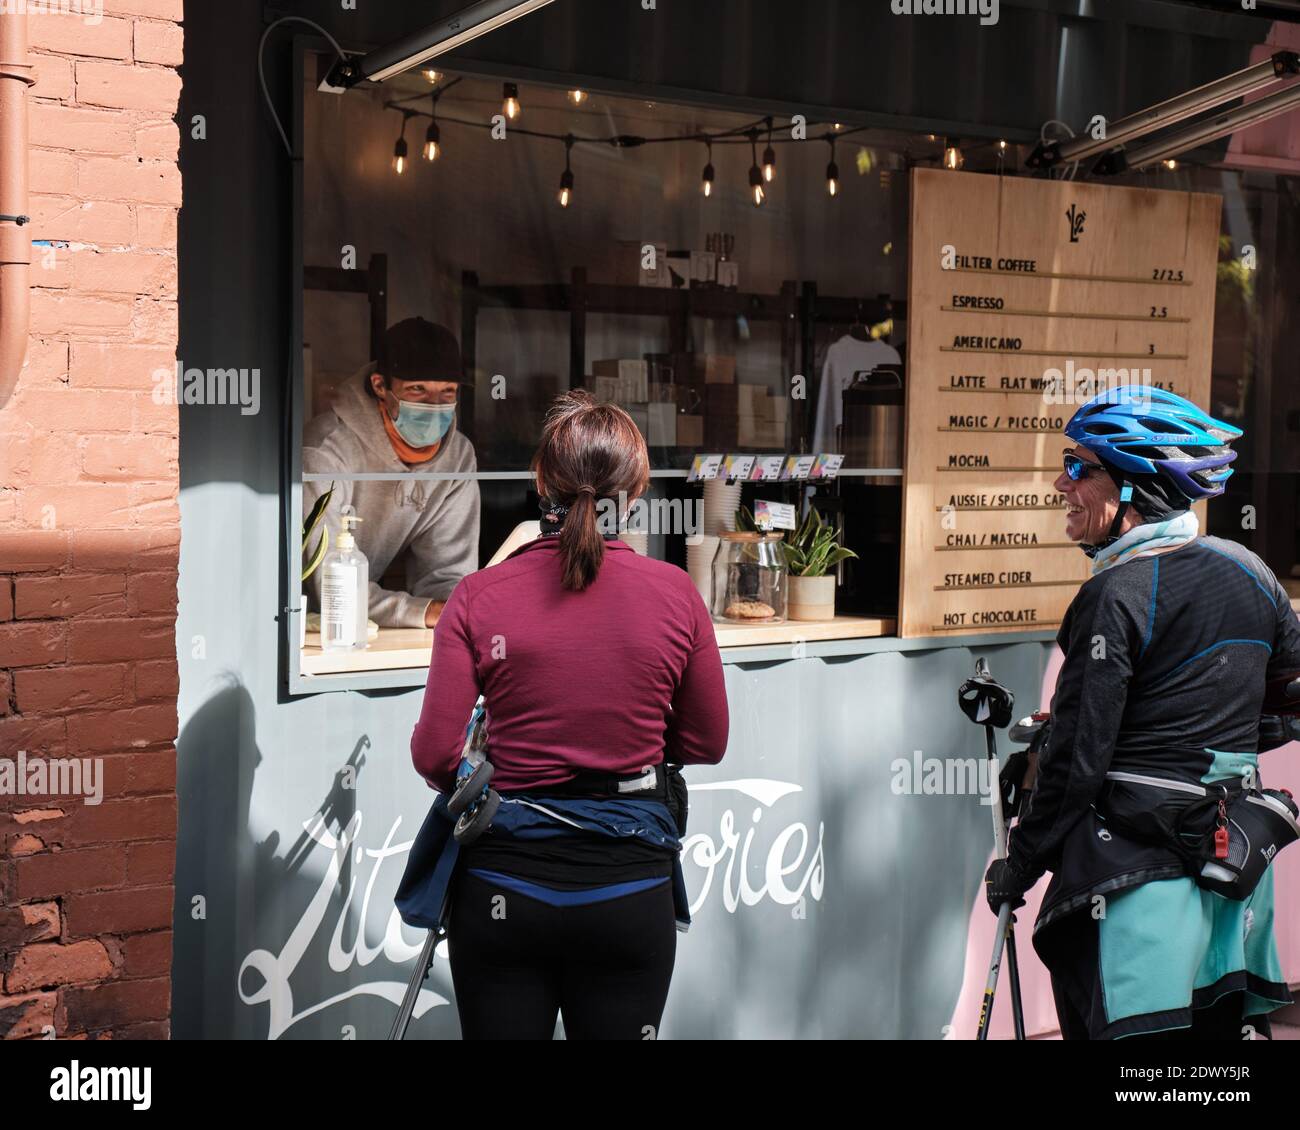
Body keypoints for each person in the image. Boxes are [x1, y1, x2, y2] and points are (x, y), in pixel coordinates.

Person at [409, 390, 729, 1040]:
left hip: (503, 891)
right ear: (635, 492)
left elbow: (435, 754)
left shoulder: (477, 597)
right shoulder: (676, 594)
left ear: (540, 482)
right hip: (627, 894)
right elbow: (706, 738)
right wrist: (621, 736)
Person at [984, 385, 1300, 1040]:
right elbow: (1286, 701)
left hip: (1138, 889)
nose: (1060, 483)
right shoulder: (1251, 570)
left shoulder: (1116, 594)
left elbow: (1077, 763)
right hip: (1235, 872)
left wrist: (1017, 867)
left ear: (1130, 488)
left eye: (1079, 467)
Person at [303, 318, 479, 628]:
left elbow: (447, 573)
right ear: (380, 386)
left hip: (365, 623)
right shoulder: (326, 450)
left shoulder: (457, 456)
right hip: (306, 622)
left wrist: (449, 612)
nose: (434, 405)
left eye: (448, 392)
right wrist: (419, 612)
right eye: (417, 390)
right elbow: (328, 581)